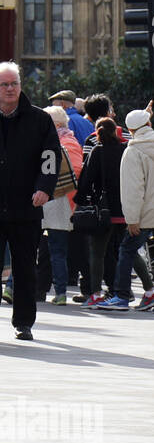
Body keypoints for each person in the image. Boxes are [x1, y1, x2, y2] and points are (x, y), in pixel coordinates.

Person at [97, 108, 154, 315]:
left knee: (126, 250)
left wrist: (132, 218)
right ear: (149, 124)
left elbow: (133, 188)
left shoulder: (133, 150)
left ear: (130, 129)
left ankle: (121, 295)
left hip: (145, 212)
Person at [0, 61, 61, 340]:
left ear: (20, 85)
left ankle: (23, 322)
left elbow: (50, 157)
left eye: (14, 83)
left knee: (25, 268)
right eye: (4, 84)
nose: (10, 89)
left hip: (26, 207)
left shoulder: (40, 120)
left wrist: (44, 188)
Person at [37, 105, 84, 305]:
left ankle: (59, 292)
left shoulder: (64, 143)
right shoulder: (61, 142)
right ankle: (56, 292)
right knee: (50, 251)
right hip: (54, 203)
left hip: (53, 201)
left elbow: (76, 170)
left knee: (52, 250)